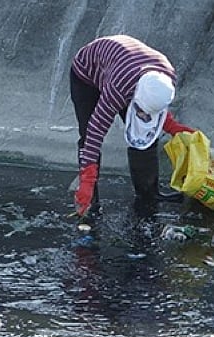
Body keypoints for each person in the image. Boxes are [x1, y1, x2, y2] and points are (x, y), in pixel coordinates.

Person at [70, 35, 197, 219]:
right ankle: (90, 199)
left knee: (146, 134)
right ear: (135, 96)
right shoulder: (118, 89)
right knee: (87, 133)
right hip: (87, 74)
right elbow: (95, 132)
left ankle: (148, 194)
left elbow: (157, 112)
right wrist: (87, 180)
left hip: (124, 65)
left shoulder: (166, 77)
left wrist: (171, 126)